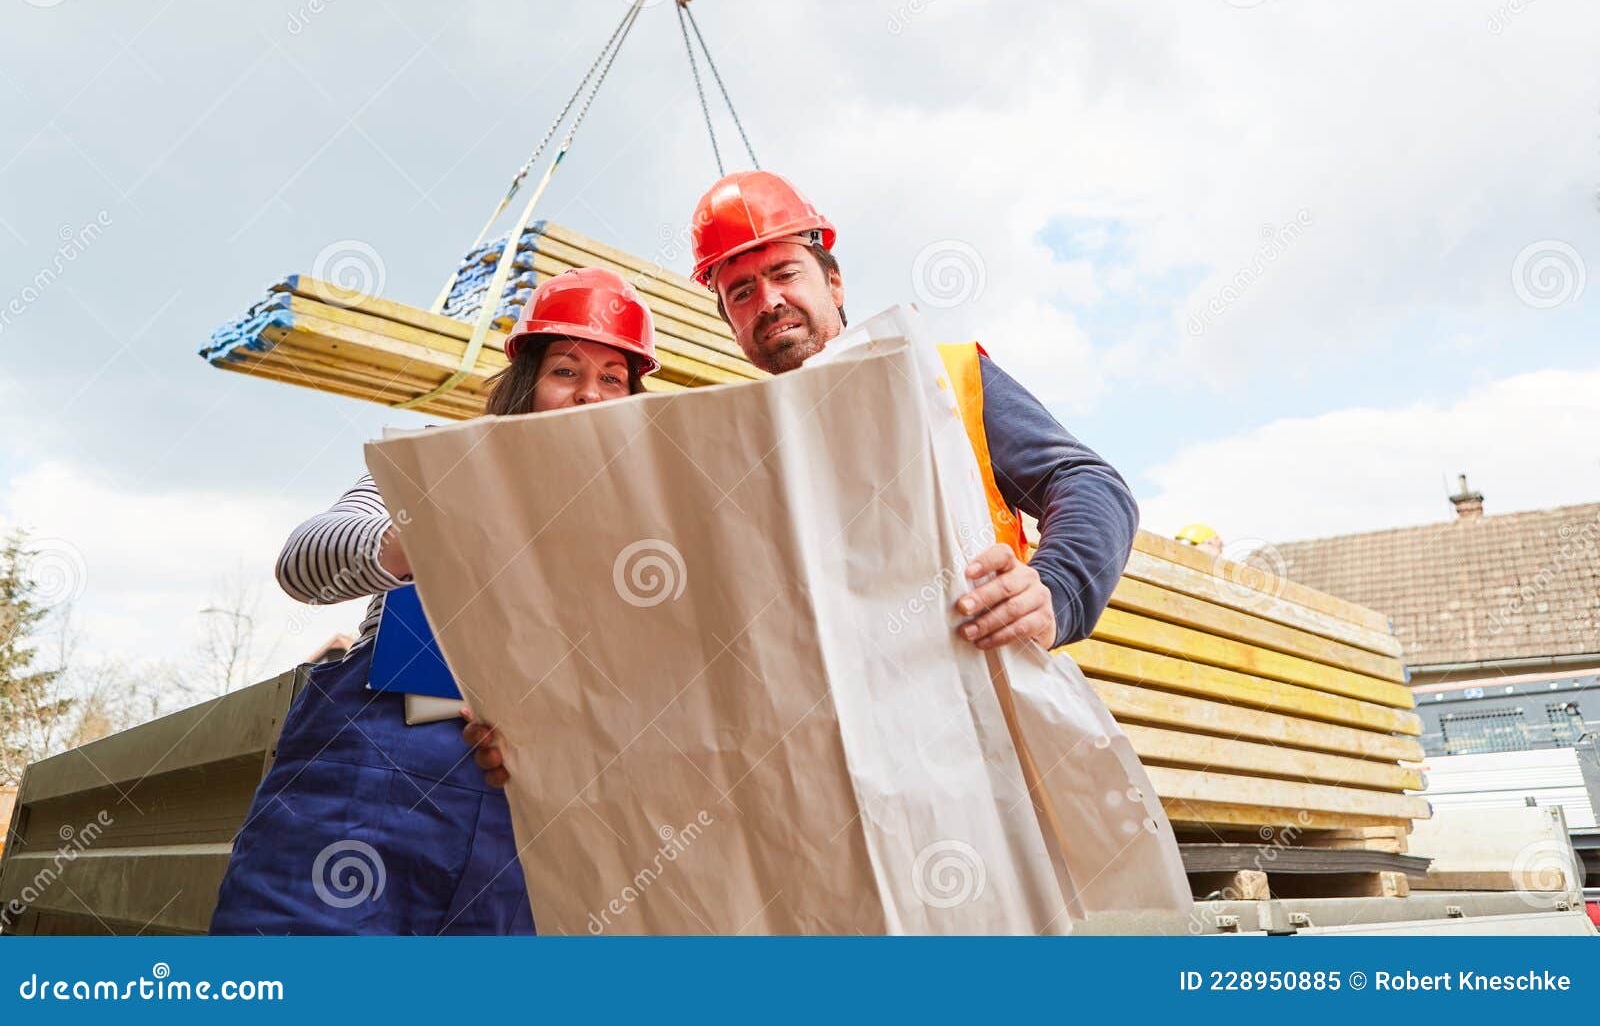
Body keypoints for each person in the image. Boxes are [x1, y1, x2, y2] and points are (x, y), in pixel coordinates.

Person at [465, 171, 1140, 784]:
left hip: (974, 749)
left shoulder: (943, 379)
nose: (769, 300)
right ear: (729, 322)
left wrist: (1056, 589)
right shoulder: (733, 450)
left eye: (785, 273)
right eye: (741, 291)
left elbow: (1089, 483)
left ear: (835, 283)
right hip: (816, 775)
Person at [210, 267, 659, 935]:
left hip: (523, 824)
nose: (589, 394)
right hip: (362, 786)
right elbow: (302, 562)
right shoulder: (432, 462)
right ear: (528, 381)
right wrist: (420, 533)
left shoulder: (645, 535)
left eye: (612, 379)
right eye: (567, 369)